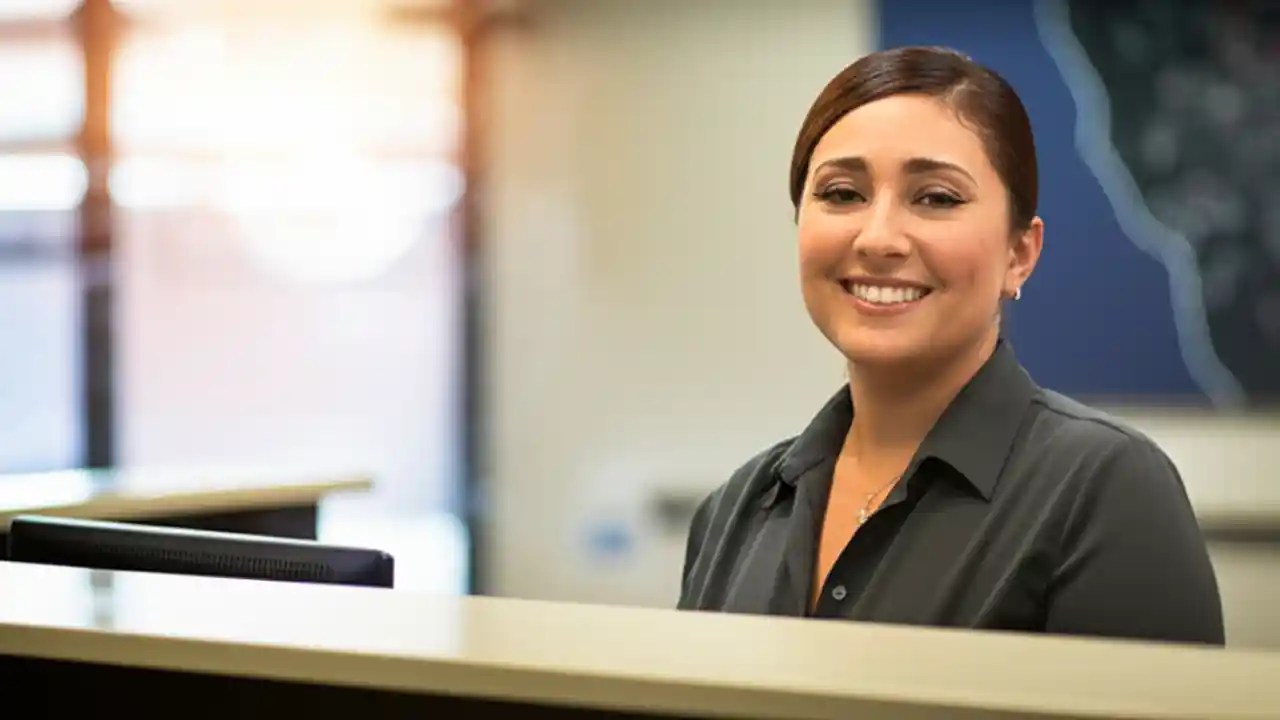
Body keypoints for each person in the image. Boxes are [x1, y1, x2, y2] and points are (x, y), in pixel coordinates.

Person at [677, 46, 1224, 645]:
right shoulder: (735, 509)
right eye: (841, 194)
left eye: (936, 198)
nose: (879, 237)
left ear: (1020, 254)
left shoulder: (1104, 490)